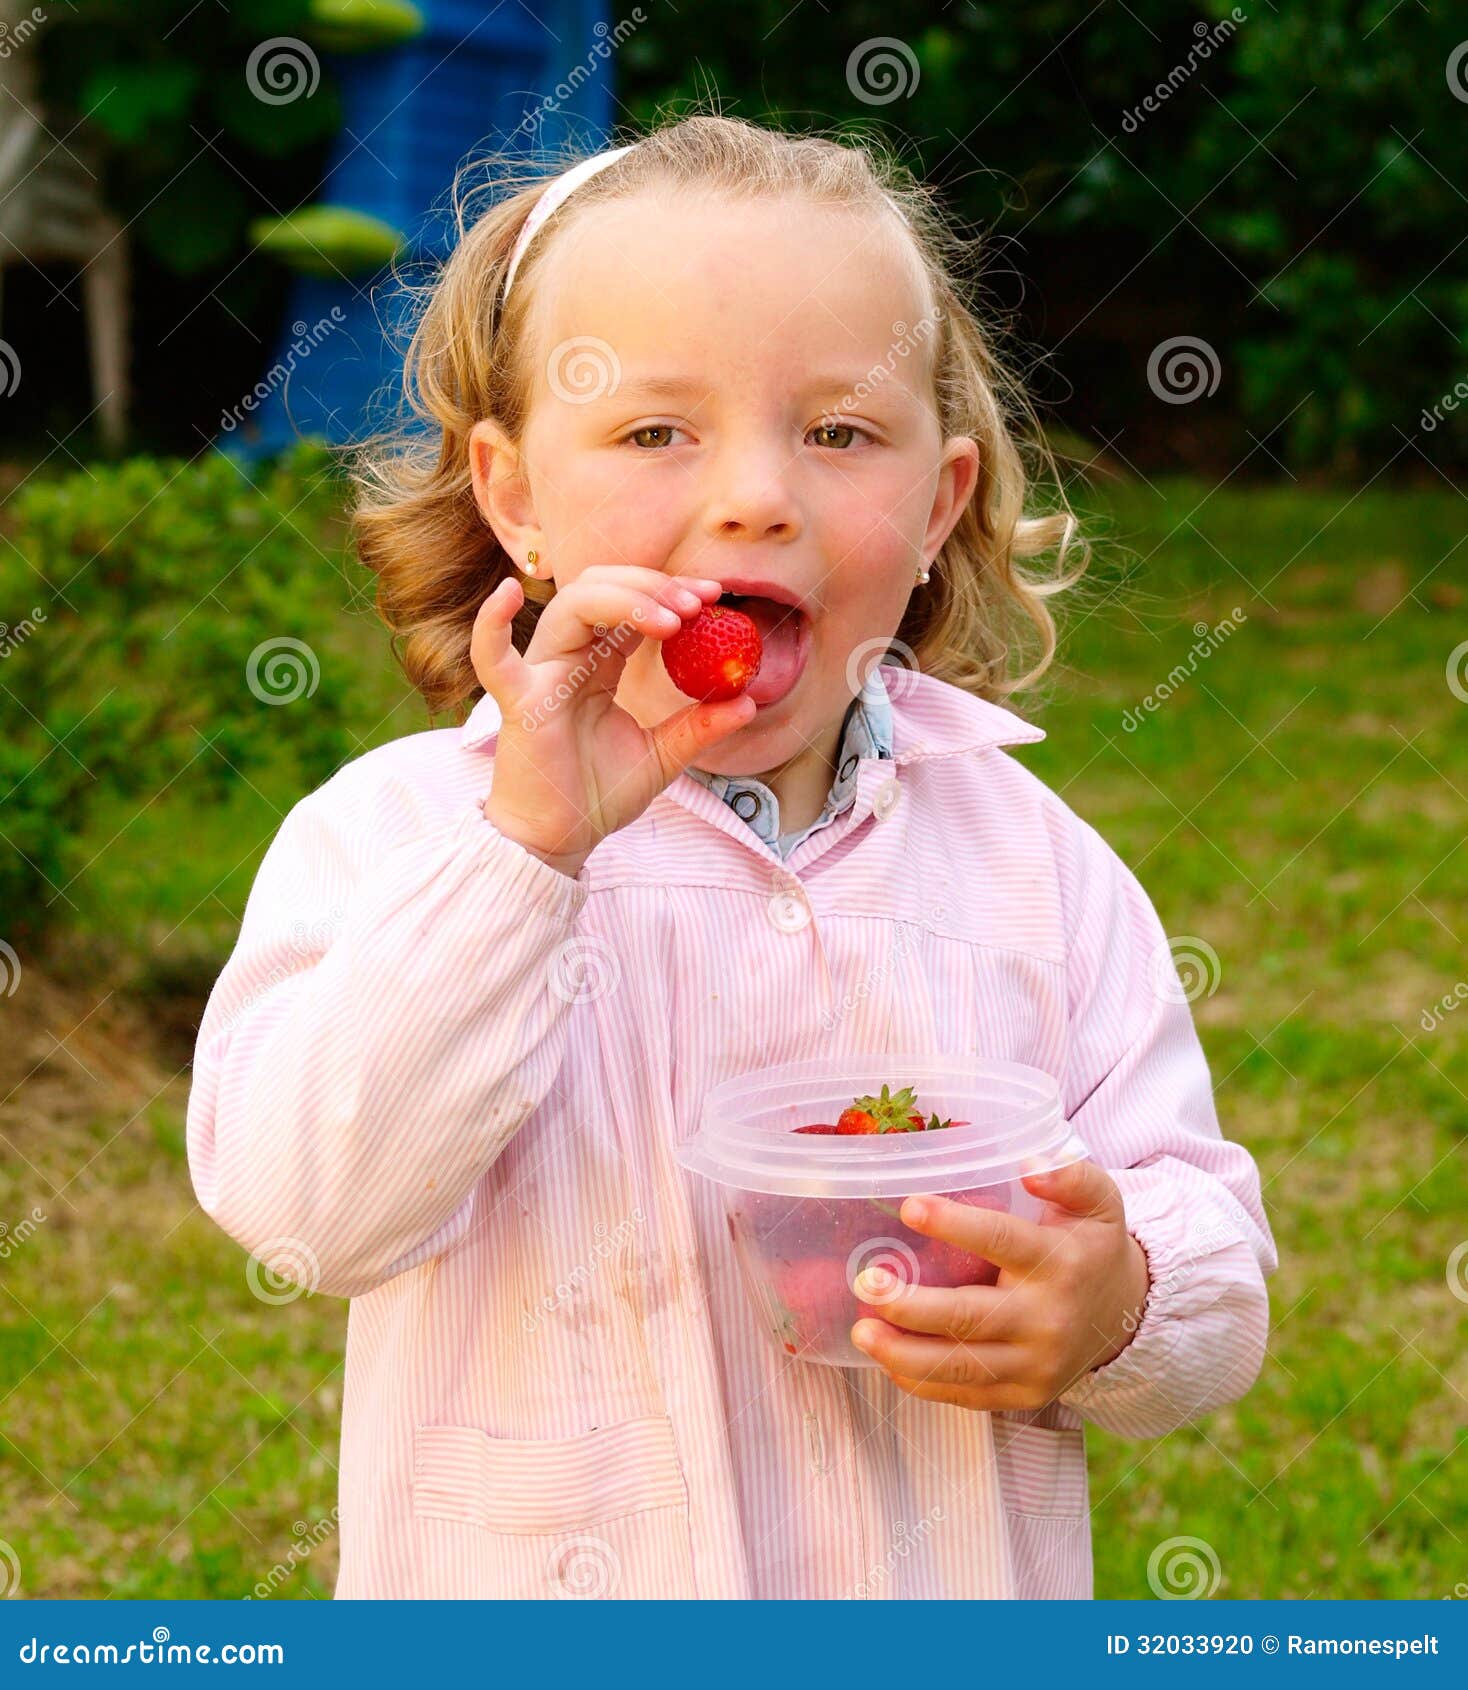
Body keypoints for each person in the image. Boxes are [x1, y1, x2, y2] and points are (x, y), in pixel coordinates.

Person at [186, 113, 1277, 1600]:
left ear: (939, 502)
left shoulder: (1042, 874)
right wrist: (531, 850)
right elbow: (308, 1205)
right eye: (654, 431)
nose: (759, 493)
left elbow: (1209, 1250)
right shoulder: (393, 841)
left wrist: (1123, 1297)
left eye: (838, 431)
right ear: (517, 498)